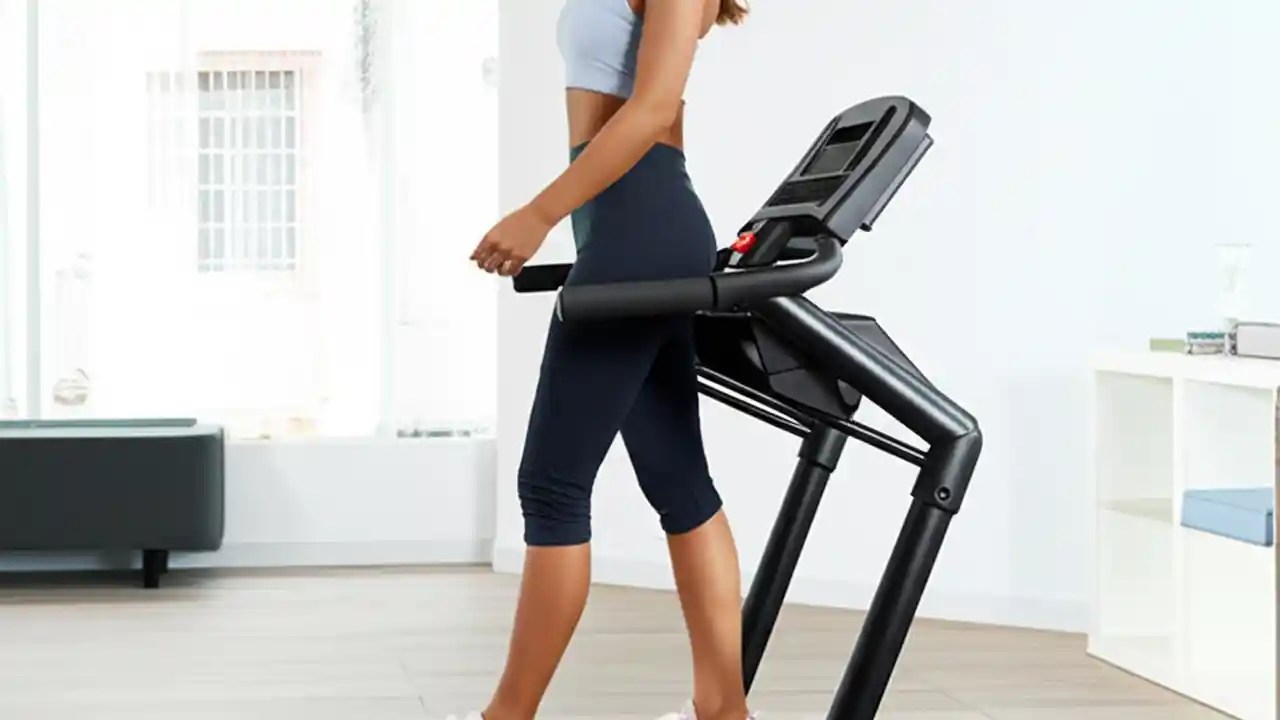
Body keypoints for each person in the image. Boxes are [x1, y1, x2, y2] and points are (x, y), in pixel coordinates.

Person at [466, 1, 753, 719]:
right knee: (680, 481)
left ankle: (506, 717)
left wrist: (538, 214)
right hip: (625, 231)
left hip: (642, 229)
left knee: (553, 488)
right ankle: (724, 712)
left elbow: (654, 108)